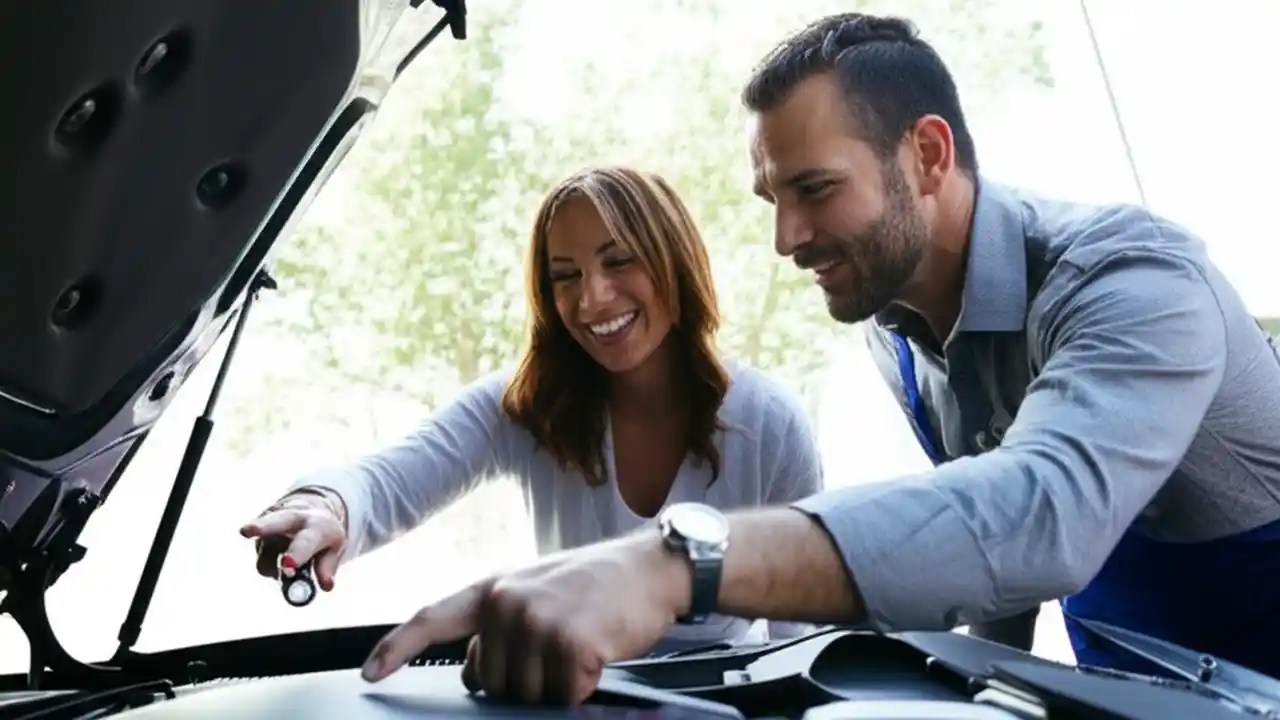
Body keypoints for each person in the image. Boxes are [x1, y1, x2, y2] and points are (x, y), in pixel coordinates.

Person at [356, 11, 1280, 704]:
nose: (786, 238)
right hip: (1137, 691)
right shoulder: (894, 323)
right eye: (771, 198)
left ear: (926, 154)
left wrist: (672, 562)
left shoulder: (1134, 276)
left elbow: (1041, 512)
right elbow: (992, 559)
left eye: (814, 190)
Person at [239, 165, 823, 655]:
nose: (591, 298)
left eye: (618, 262)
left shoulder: (770, 424)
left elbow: (800, 641)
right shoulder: (526, 405)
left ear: (675, 259)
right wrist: (322, 504)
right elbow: (386, 481)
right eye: (564, 277)